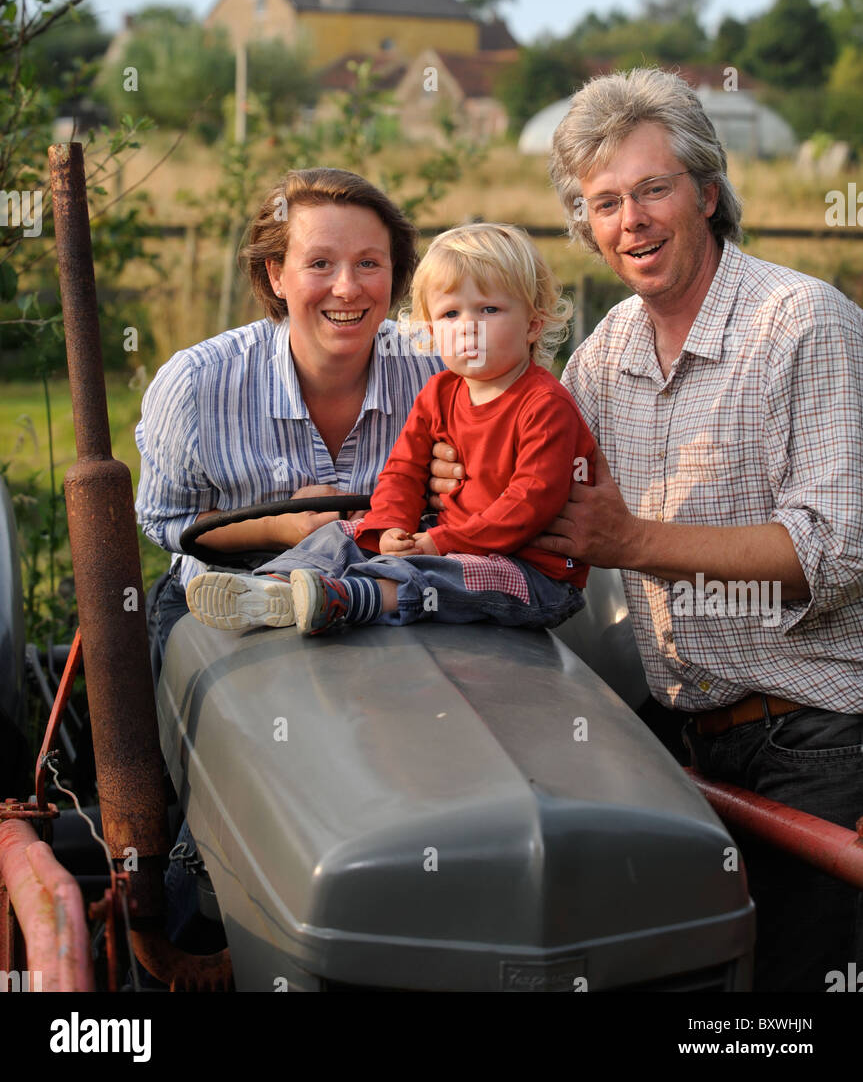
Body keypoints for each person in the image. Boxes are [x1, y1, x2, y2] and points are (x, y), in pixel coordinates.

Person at [528, 67, 863, 993]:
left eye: (652, 189)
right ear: (588, 229)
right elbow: (547, 505)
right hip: (685, 742)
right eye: (604, 203)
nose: (630, 219)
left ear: (708, 193)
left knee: (796, 1004)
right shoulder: (604, 354)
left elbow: (829, 556)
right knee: (705, 994)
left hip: (821, 742)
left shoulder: (803, 325)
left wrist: (629, 541)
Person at [185, 223, 595, 637]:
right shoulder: (440, 390)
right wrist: (388, 528)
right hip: (442, 538)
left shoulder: (544, 405)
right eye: (451, 314)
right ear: (432, 332)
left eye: (489, 310)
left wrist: (440, 542)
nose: (468, 327)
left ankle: (350, 599)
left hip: (530, 571)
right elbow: (404, 470)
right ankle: (269, 588)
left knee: (449, 575)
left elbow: (527, 505)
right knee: (343, 533)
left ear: (533, 324)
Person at [136, 166, 444, 672]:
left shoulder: (439, 370)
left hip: (395, 591)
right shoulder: (196, 383)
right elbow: (164, 519)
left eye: (369, 263)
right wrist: (278, 526)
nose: (346, 288)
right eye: (319, 263)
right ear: (276, 274)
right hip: (233, 595)